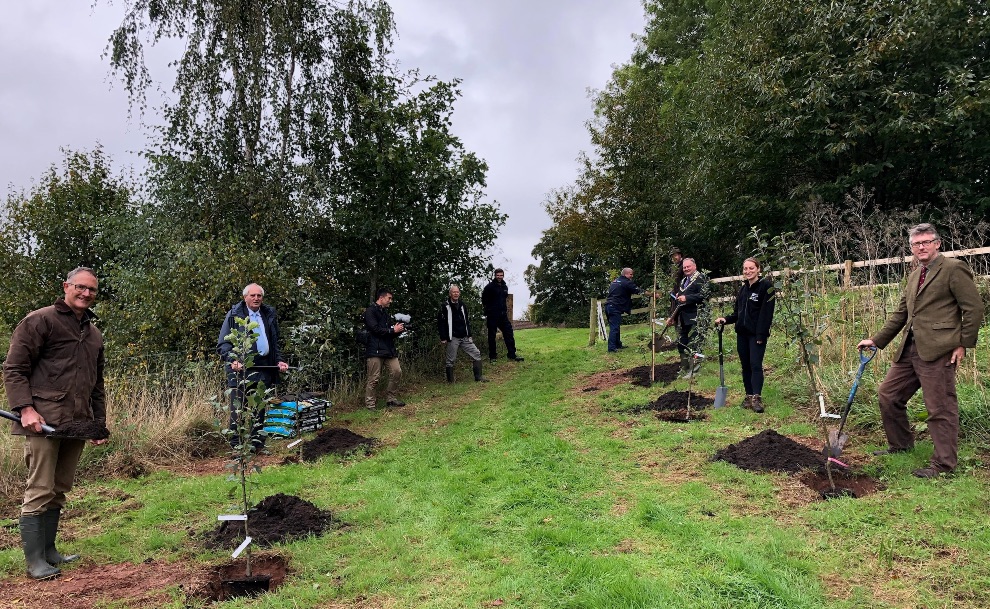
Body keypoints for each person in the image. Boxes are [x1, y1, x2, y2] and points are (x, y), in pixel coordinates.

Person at [3, 267, 108, 580]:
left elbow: (96, 384)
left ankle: (50, 552)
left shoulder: (94, 334)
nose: (86, 293)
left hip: (76, 424)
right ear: (66, 286)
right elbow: (14, 369)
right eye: (80, 287)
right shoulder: (40, 320)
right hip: (43, 421)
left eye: (92, 290)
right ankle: (35, 562)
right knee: (40, 488)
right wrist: (25, 409)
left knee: (59, 489)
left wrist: (98, 424)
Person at [857, 224, 983, 478]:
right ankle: (901, 445)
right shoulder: (915, 274)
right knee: (889, 395)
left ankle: (944, 465)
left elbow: (973, 308)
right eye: (916, 243)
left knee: (940, 407)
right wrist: (877, 340)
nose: (921, 247)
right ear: (911, 248)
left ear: (937, 244)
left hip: (940, 348)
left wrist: (963, 344)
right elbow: (902, 313)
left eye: (926, 242)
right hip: (910, 348)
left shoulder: (953, 268)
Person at [217, 283, 289, 450]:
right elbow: (223, 344)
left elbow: (274, 342)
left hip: (264, 367)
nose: (256, 298)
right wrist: (232, 360)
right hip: (241, 370)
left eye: (259, 296)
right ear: (245, 297)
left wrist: (279, 360)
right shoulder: (234, 315)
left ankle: (257, 445)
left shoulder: (268, 314)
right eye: (253, 295)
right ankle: (237, 448)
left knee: (259, 408)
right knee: (238, 410)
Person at [716, 258, 776, 413]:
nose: (748, 271)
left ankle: (757, 398)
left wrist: (761, 334)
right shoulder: (743, 289)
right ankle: (749, 396)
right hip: (742, 334)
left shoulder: (766, 287)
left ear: (758, 269)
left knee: (755, 364)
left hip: (756, 334)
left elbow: (766, 314)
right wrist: (725, 319)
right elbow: (738, 313)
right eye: (745, 269)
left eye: (751, 268)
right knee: (746, 366)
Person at [364, 287, 407, 409]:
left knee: (397, 371)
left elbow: (388, 332)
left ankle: (391, 399)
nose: (390, 301)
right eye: (389, 298)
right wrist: (392, 330)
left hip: (388, 349)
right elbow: (375, 329)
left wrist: (398, 330)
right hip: (374, 350)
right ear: (381, 298)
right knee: (374, 378)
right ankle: (370, 404)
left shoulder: (385, 313)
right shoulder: (370, 311)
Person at [437, 284, 489, 383]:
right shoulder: (445, 306)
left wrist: (469, 335)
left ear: (459, 293)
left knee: (476, 353)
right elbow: (441, 323)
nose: (456, 294)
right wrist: (443, 337)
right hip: (453, 337)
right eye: (454, 292)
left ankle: (478, 377)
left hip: (465, 336)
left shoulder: (462, 305)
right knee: (450, 360)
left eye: (457, 292)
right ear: (450, 293)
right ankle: (450, 382)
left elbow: (466, 321)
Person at [668, 258, 709, 377]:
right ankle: (685, 367)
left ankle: (695, 370)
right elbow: (679, 301)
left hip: (697, 316)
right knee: (682, 343)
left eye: (688, 266)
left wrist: (687, 298)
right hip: (683, 317)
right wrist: (672, 317)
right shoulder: (683, 281)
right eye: (684, 267)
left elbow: (704, 295)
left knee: (695, 343)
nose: (686, 269)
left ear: (694, 266)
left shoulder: (701, 278)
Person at [605, 267, 655, 353]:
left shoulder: (615, 281)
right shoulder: (626, 282)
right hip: (615, 307)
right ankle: (611, 348)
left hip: (608, 306)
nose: (632, 276)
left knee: (615, 326)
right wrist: (652, 294)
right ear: (625, 274)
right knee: (614, 328)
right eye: (631, 274)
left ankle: (618, 345)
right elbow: (639, 291)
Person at [482, 269, 524, 362]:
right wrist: (489, 310)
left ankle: (512, 355)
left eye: (501, 275)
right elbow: (484, 300)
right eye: (498, 275)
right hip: (492, 315)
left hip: (502, 315)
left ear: (503, 276)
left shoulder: (504, 287)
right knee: (492, 336)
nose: (499, 277)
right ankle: (493, 357)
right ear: (495, 275)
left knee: (509, 333)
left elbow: (504, 299)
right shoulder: (489, 287)